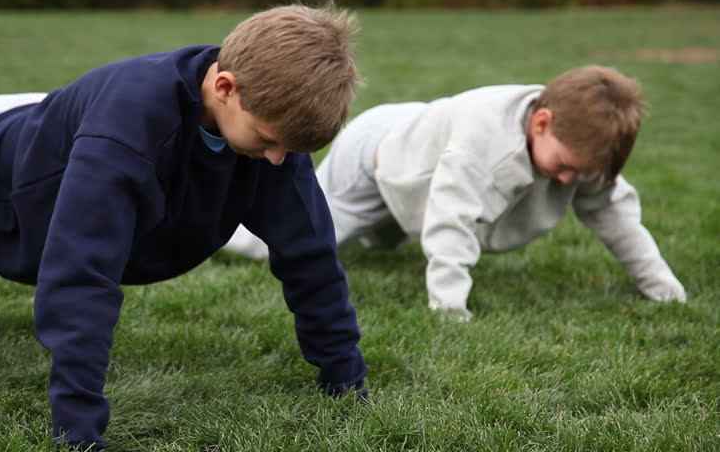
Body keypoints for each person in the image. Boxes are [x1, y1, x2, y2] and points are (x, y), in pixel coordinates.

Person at [0, 4, 368, 450]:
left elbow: (311, 255)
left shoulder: (269, 127)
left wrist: (346, 379)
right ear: (224, 87)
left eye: (288, 149)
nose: (277, 159)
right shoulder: (128, 130)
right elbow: (82, 275)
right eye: (266, 140)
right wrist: (78, 433)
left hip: (58, 141)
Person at [225, 65, 687, 320]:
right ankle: (220, 230)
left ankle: (378, 232)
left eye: (580, 173)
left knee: (382, 242)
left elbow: (619, 218)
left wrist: (664, 290)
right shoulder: (482, 146)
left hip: (420, 155)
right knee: (289, 245)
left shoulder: (577, 143)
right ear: (541, 122)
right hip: (373, 157)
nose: (569, 180)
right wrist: (450, 309)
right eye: (565, 167)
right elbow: (450, 221)